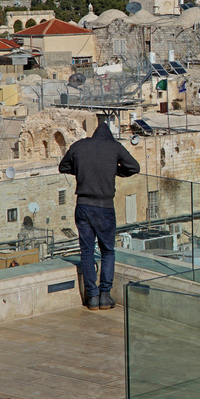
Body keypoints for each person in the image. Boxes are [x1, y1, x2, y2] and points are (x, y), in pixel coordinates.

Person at [59, 117, 141, 311]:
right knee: (107, 251)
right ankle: (105, 295)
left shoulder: (79, 146)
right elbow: (134, 167)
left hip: (83, 206)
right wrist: (116, 171)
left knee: (87, 252)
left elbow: (63, 166)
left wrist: (81, 171)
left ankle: (92, 297)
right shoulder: (114, 147)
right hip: (104, 207)